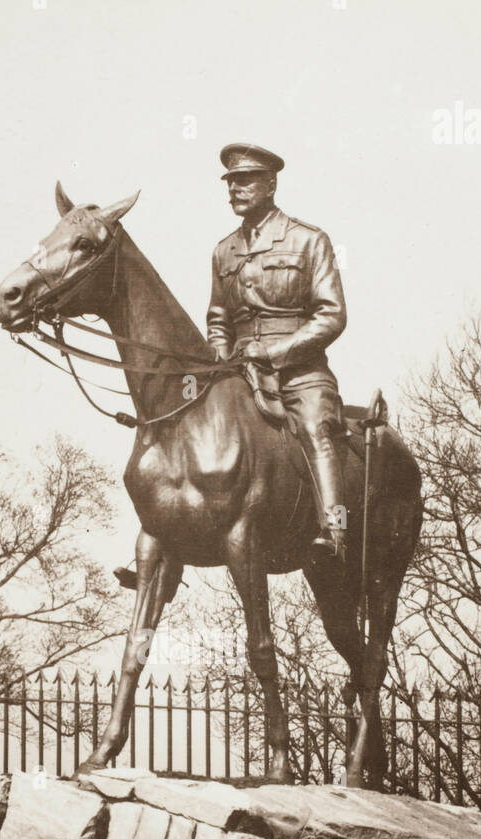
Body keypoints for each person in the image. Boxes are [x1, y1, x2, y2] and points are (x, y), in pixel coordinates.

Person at [207, 143, 348, 559]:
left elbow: (331, 315)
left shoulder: (308, 240)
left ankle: (335, 528)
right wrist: (220, 353)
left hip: (299, 373)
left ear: (270, 184)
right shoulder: (223, 250)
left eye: (245, 179)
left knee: (316, 429)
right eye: (231, 181)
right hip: (239, 373)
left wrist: (276, 353)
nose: (235, 188)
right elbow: (218, 317)